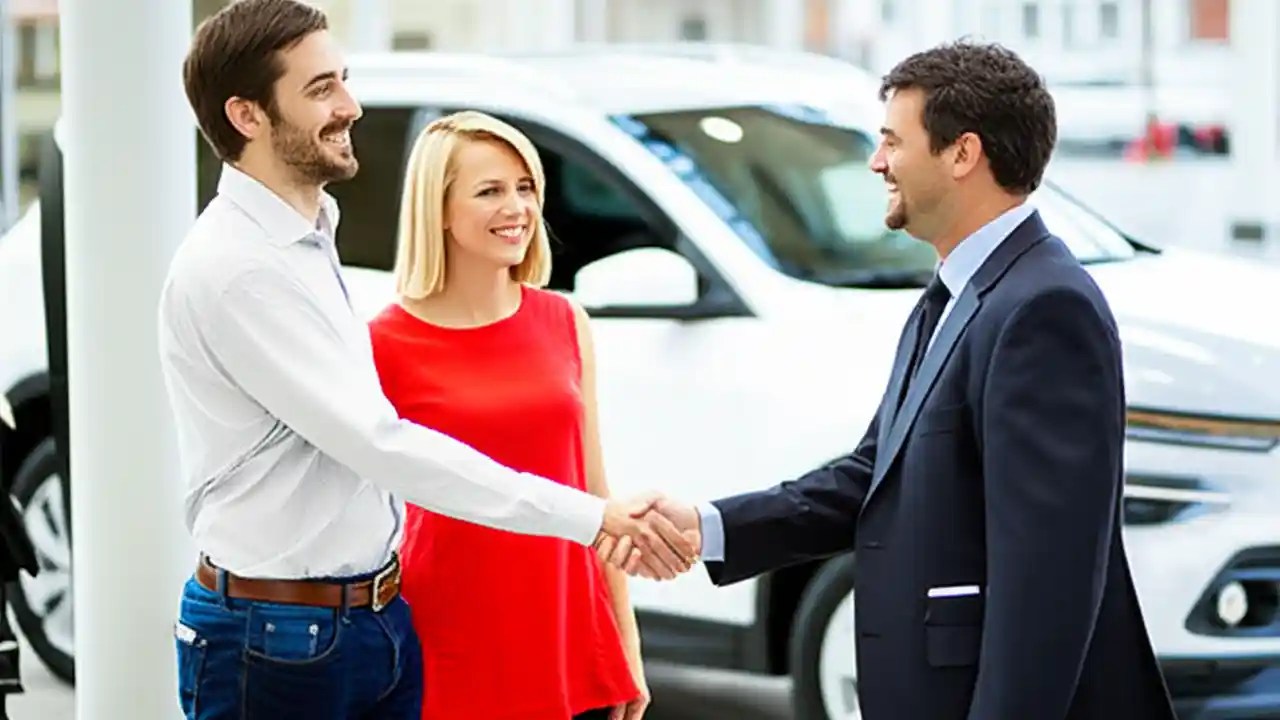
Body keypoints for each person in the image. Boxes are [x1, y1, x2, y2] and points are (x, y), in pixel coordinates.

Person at [609, 42, 1179, 719]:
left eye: (892, 142)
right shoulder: (952, 294)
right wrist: (710, 526)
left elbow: (1047, 581)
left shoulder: (1044, 309)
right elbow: (872, 475)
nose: (877, 162)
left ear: (963, 154)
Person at [160, 2, 693, 718]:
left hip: (363, 622)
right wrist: (593, 517)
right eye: (321, 88)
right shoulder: (242, 269)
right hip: (279, 635)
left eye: (343, 80)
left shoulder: (307, 240)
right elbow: (381, 445)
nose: (350, 106)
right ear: (247, 116)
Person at [368, 110, 649, 720]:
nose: (518, 207)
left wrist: (626, 643)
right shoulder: (380, 343)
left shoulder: (565, 321)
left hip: (565, 630)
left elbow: (595, 492)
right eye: (490, 190)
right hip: (448, 634)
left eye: (526, 188)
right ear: (437, 209)